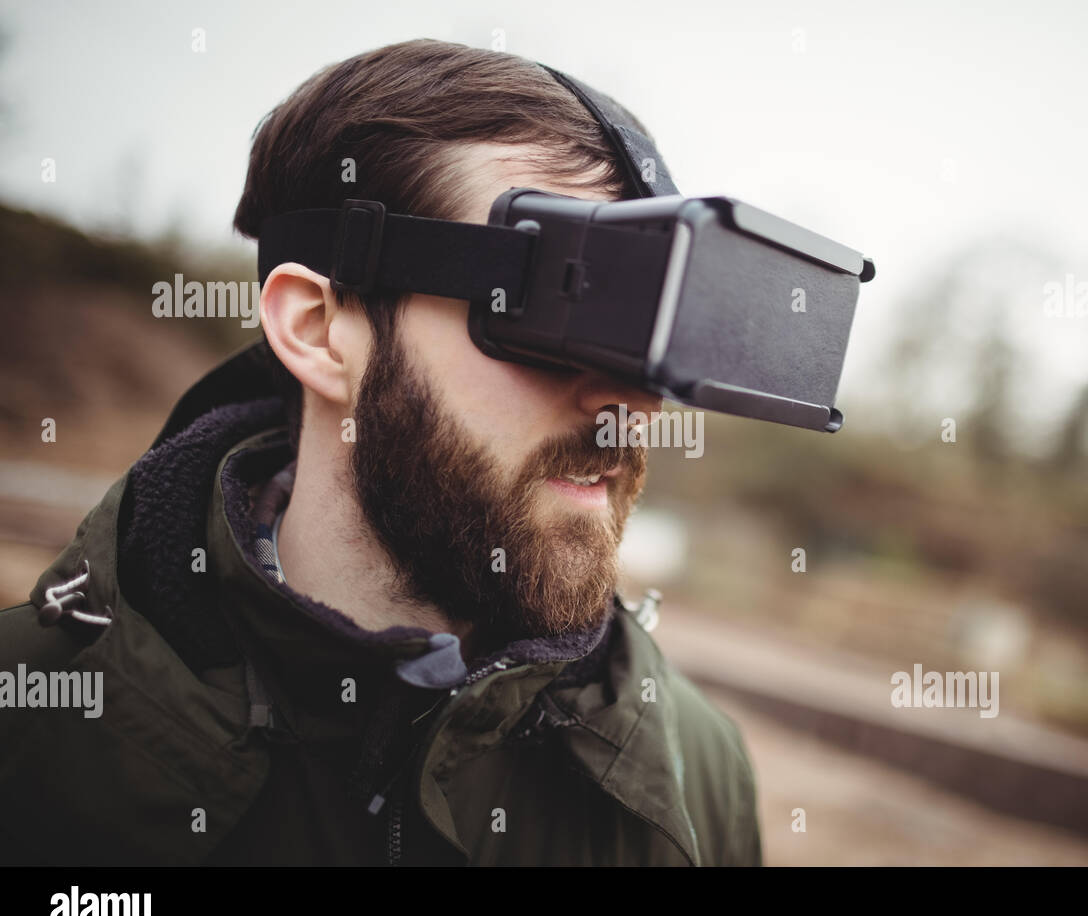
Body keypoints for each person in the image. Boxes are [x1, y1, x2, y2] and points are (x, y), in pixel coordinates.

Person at [0, 38, 762, 866]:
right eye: (555, 308)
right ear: (320, 330)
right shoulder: (33, 729)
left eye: (640, 334)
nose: (631, 402)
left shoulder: (692, 771)